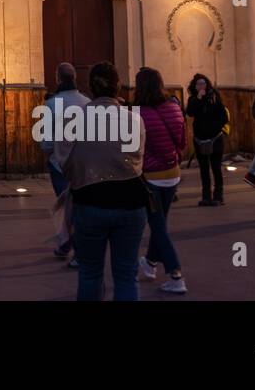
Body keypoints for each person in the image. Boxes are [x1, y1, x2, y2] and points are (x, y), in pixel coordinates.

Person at [60, 62, 146, 301]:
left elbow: (66, 165)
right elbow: (138, 161)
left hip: (90, 203)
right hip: (131, 203)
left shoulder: (74, 121)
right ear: (118, 86)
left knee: (89, 273)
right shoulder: (134, 120)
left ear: (90, 87)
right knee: (127, 275)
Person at [134, 67, 188, 294]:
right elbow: (183, 142)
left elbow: (134, 148)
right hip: (173, 174)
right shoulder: (175, 107)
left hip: (151, 178)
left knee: (158, 227)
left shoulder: (138, 113)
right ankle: (150, 263)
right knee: (160, 225)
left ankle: (176, 275)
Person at [39, 62, 89, 261]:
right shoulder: (86, 102)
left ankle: (77, 250)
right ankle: (66, 243)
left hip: (59, 163)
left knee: (67, 206)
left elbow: (47, 141)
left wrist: (49, 156)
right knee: (78, 205)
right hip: (83, 163)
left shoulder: (51, 104)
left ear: (58, 78)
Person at [185, 73, 229, 206]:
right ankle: (206, 196)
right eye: (198, 84)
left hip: (215, 138)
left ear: (207, 84)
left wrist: (215, 128)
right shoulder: (193, 99)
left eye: (203, 83)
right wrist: (198, 99)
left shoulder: (214, 98)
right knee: (203, 169)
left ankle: (218, 195)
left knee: (216, 167)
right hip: (199, 139)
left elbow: (223, 117)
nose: (201, 86)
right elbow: (190, 113)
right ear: (195, 86)